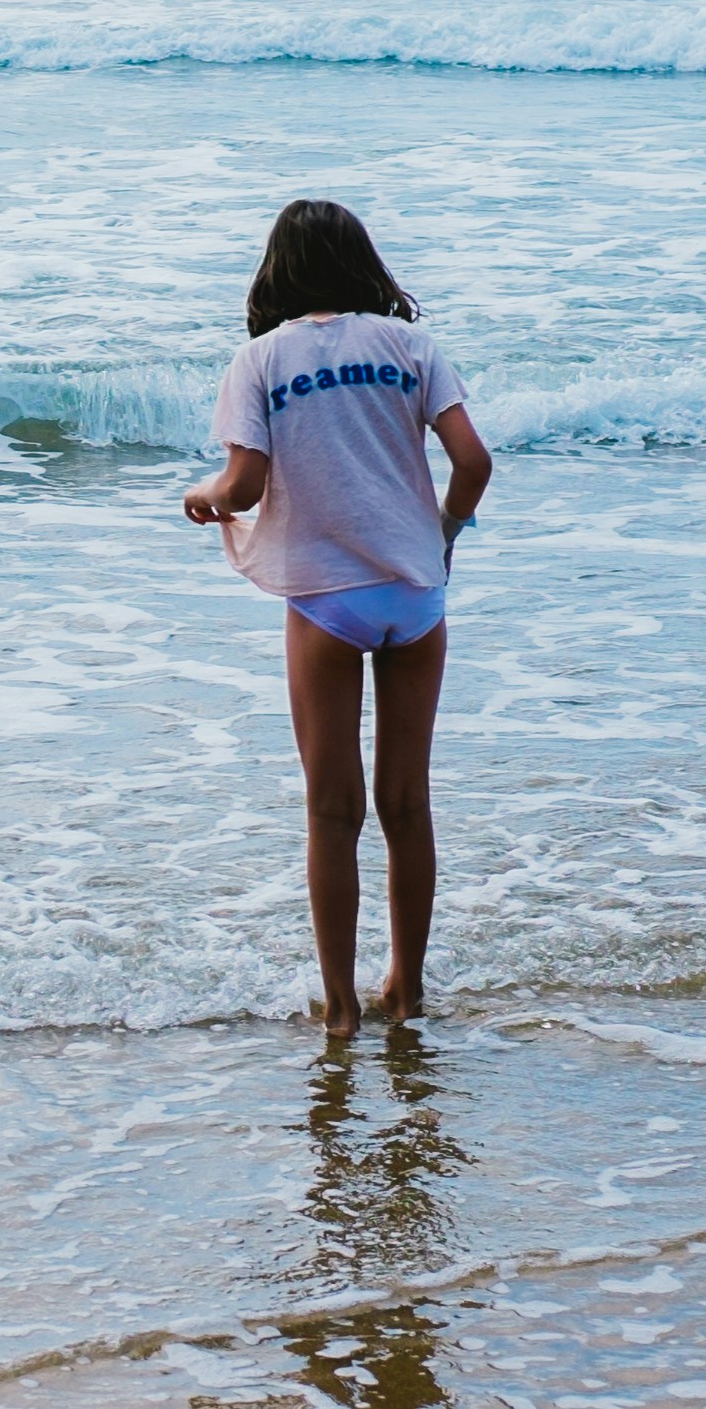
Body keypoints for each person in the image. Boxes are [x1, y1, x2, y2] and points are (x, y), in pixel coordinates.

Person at [184, 199, 491, 1037]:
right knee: (406, 803)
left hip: (327, 599)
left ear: (277, 270)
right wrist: (445, 533)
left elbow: (242, 488)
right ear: (363, 264)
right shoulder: (412, 347)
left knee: (331, 808)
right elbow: (473, 461)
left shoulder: (260, 360)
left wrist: (200, 497)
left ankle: (344, 1011)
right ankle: (409, 990)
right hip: (414, 594)